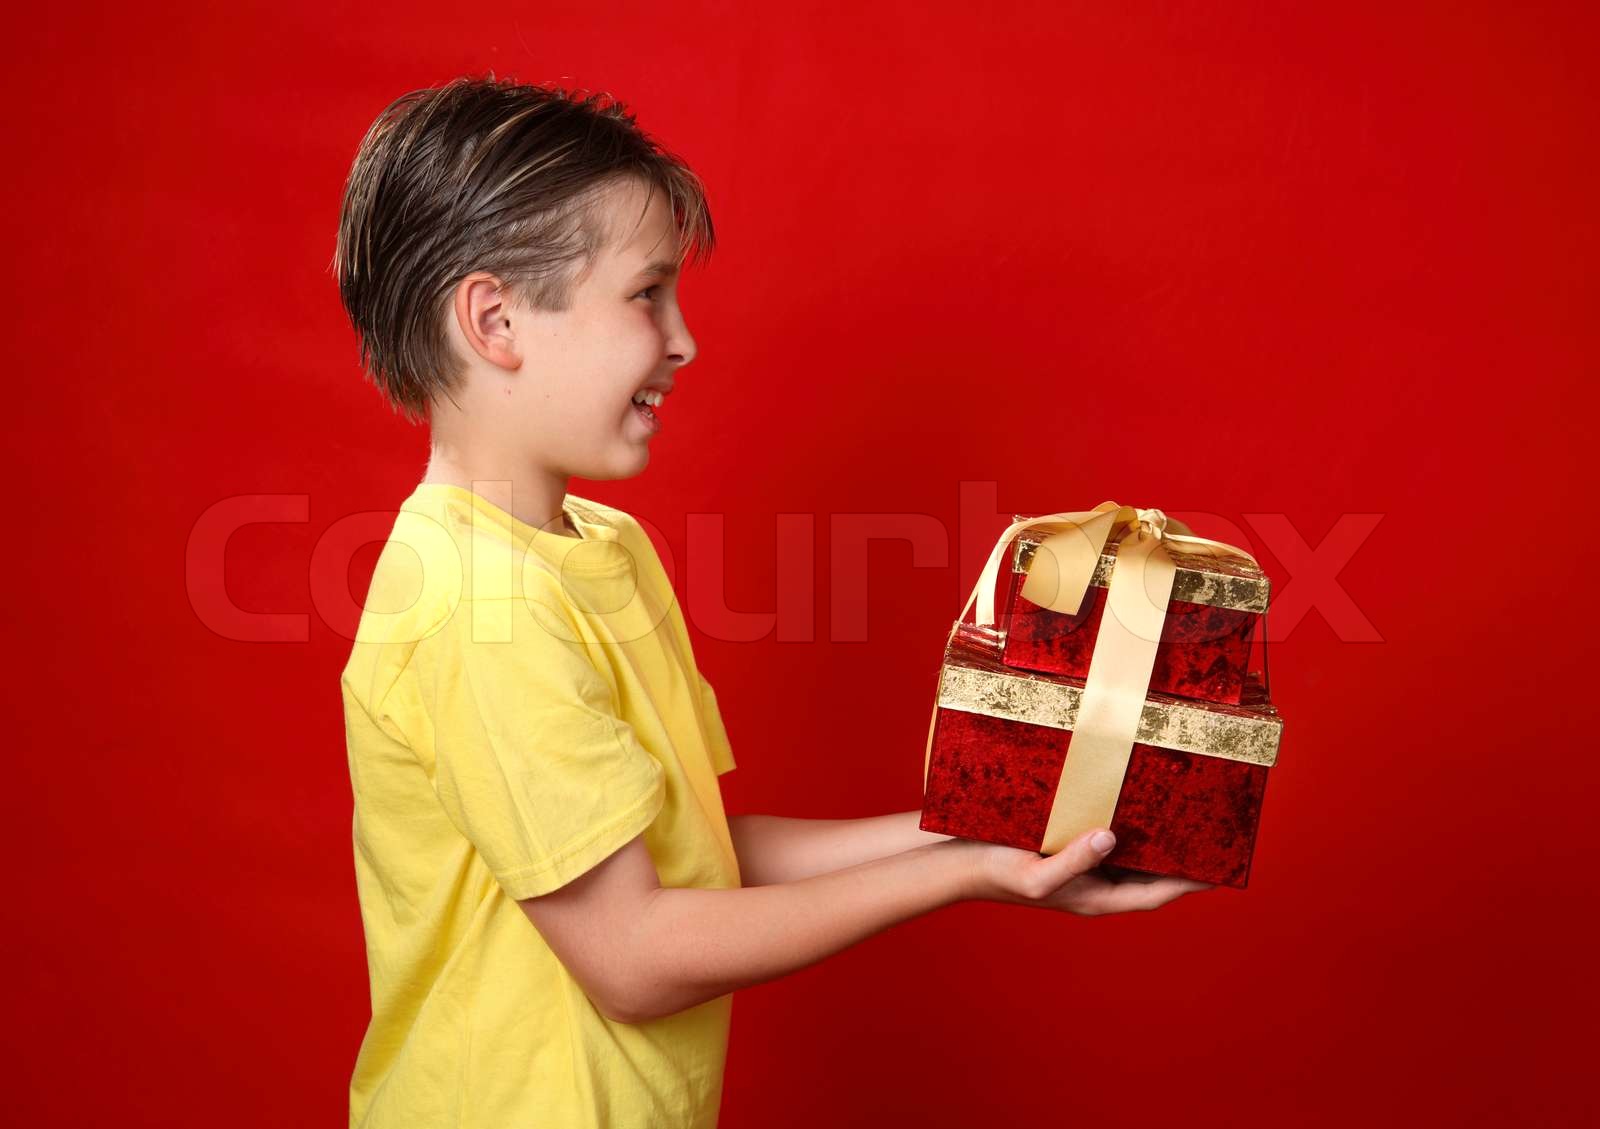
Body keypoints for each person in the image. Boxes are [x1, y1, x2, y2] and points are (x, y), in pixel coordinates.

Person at [333, 74, 1210, 1129]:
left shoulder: (599, 546)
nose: (683, 339)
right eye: (646, 293)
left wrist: (987, 835)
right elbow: (632, 956)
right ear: (498, 319)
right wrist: (967, 875)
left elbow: (696, 855)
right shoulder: (476, 604)